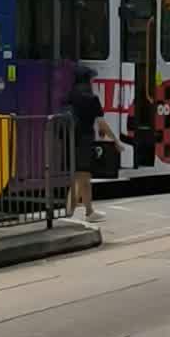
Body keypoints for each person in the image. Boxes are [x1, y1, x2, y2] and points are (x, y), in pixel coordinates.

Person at [65, 67, 119, 222]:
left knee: (78, 177)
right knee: (84, 177)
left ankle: (69, 212)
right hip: (84, 140)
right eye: (92, 79)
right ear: (88, 80)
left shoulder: (71, 95)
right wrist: (116, 141)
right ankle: (88, 212)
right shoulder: (91, 98)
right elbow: (102, 124)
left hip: (70, 139)